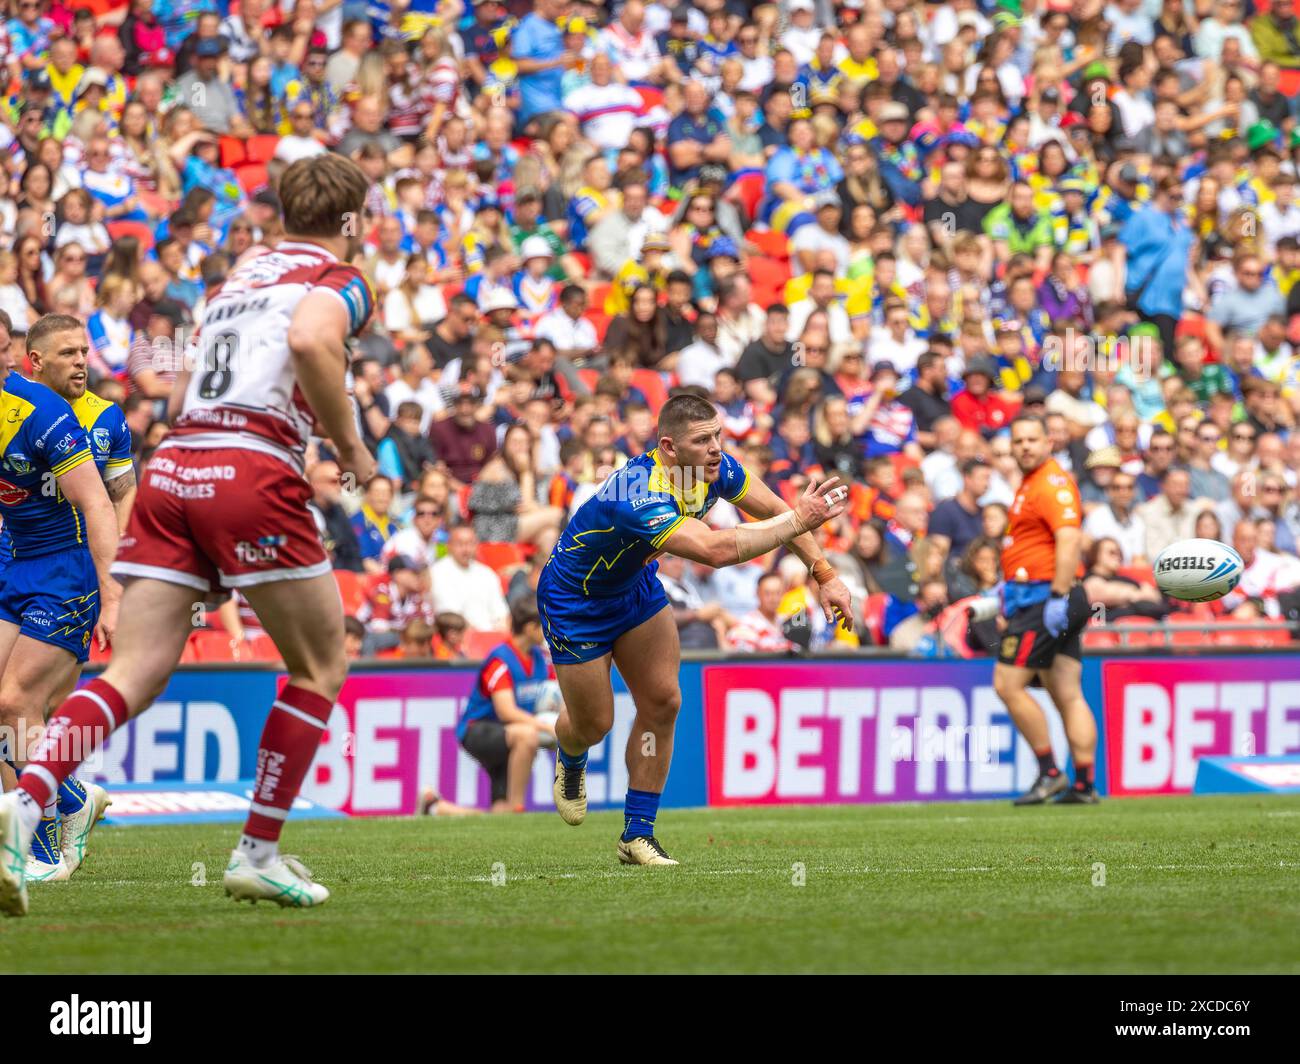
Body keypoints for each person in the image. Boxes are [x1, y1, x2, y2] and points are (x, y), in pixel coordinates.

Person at [0, 154, 378, 916]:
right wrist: (352, 446)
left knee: (133, 671)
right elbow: (310, 341)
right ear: (350, 220)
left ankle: (25, 802)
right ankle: (258, 854)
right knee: (319, 665)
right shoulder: (340, 278)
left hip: (175, 462)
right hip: (252, 465)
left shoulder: (235, 280)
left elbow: (179, 388)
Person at [538, 393, 852, 865]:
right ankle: (571, 751)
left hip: (634, 589)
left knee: (664, 701)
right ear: (668, 446)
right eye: (702, 440)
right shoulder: (635, 491)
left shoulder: (713, 468)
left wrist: (825, 574)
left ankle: (636, 835)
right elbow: (715, 552)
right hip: (575, 601)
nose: (715, 449)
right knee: (594, 723)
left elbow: (775, 510)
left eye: (718, 436)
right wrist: (797, 521)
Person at [6, 316, 136, 881]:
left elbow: (104, 503)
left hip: (66, 573)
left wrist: (114, 595)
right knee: (11, 713)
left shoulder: (42, 413)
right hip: (15, 566)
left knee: (16, 703)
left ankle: (44, 850)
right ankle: (72, 798)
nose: (82, 361)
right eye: (69, 352)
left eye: (85, 351)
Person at [994, 413, 1098, 807]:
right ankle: (1084, 784)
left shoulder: (1051, 483)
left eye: (1031, 440)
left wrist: (1056, 595)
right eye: (1017, 441)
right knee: (1066, 692)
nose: (1023, 447)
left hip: (1045, 597)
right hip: (1045, 594)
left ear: (1047, 443)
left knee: (1007, 685)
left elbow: (1069, 540)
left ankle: (1050, 773)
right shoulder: (1031, 483)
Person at [456, 599, 557, 813]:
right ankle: (518, 806)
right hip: (479, 730)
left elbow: (553, 694)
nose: (549, 630)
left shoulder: (539, 658)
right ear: (530, 627)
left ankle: (435, 807)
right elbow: (506, 711)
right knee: (527, 736)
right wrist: (547, 727)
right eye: (545, 624)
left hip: (508, 735)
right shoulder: (500, 660)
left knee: (498, 811)